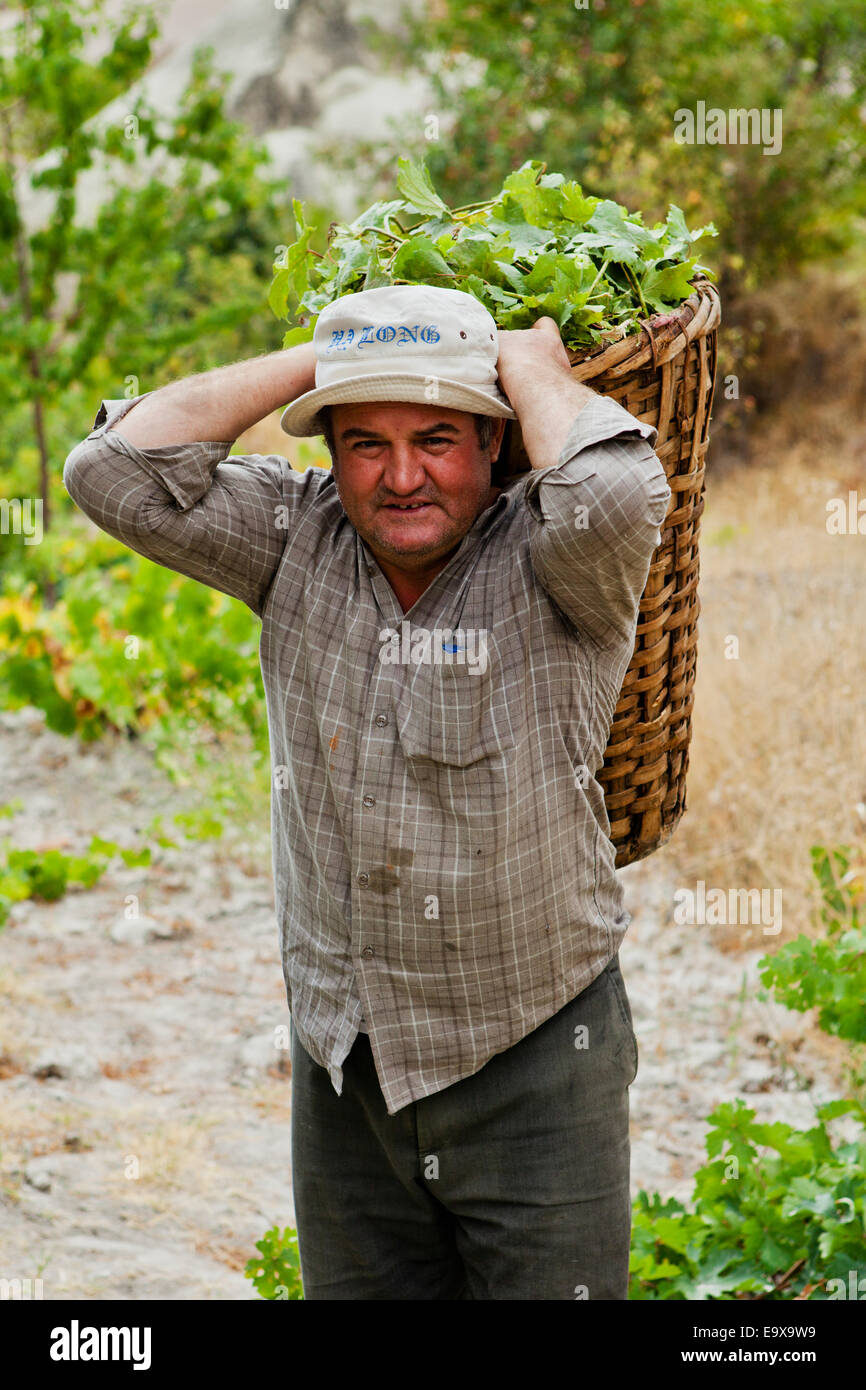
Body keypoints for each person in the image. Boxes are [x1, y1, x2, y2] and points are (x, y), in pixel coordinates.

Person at [63, 283, 671, 1300]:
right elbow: (110, 470)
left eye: (436, 436)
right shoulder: (292, 538)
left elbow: (618, 490)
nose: (400, 477)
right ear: (330, 450)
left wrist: (525, 366)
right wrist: (327, 359)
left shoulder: (558, 559)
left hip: (531, 1060)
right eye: (363, 442)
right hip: (344, 1065)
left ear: (492, 441)